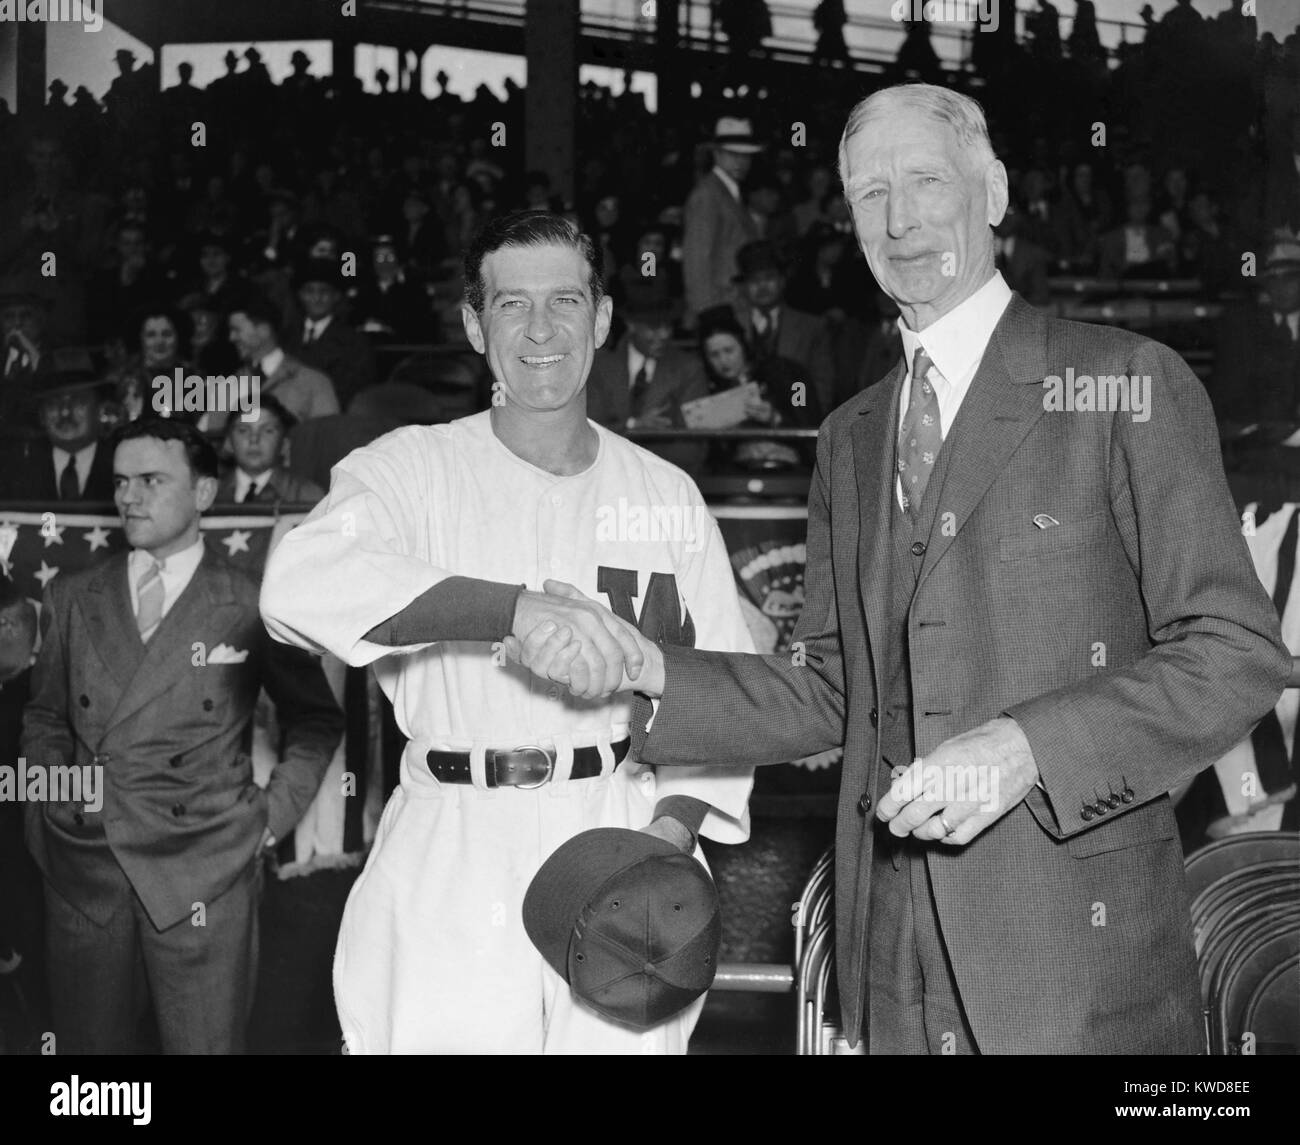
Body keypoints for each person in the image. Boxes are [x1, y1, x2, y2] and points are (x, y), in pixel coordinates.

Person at [508, 85, 1290, 1055]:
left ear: (993, 191)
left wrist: (1026, 747)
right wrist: (648, 666)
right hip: (885, 954)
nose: (899, 217)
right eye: (869, 192)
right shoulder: (850, 435)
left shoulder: (1124, 381)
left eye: (925, 179)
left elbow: (1235, 650)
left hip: (1071, 968)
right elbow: (839, 688)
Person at [259, 210, 754, 1053]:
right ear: (471, 324)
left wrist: (667, 841)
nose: (539, 329)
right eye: (510, 303)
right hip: (453, 834)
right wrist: (516, 607)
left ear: (601, 318)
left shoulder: (665, 493)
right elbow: (295, 584)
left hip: (617, 828)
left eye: (565, 300)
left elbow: (725, 692)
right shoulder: (409, 466)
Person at [21, 417, 344, 1053]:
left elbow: (316, 719)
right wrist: (49, 806)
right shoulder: (73, 595)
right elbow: (45, 717)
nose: (128, 498)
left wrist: (266, 822)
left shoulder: (252, 601)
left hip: (205, 870)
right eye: (119, 482)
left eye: (150, 480)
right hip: (88, 869)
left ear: (202, 494)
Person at [586, 289, 710, 477]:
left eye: (668, 326)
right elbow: (588, 430)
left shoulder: (689, 368)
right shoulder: (600, 366)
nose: (664, 334)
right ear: (631, 325)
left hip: (666, 480)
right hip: (605, 477)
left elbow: (693, 444)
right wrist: (634, 425)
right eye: (654, 327)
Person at [732, 240, 836, 414]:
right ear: (743, 286)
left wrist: (804, 417)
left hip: (795, 420)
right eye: (754, 280)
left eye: (769, 278)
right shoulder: (732, 324)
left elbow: (822, 383)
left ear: (782, 281)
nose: (762, 287)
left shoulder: (811, 327)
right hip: (740, 421)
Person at [682, 117, 762, 328]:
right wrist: (708, 314)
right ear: (716, 154)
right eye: (733, 154)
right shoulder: (708, 194)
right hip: (719, 308)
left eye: (746, 155)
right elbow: (697, 261)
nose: (740, 162)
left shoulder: (729, 192)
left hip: (735, 304)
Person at [0, 369, 115, 502]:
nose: (65, 412)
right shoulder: (15, 470)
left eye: (78, 401)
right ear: (42, 416)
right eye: (53, 403)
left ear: (99, 410)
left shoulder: (121, 463)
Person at [228, 293, 340, 423]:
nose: (232, 337)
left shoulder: (314, 383)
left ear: (264, 330)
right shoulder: (231, 384)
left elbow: (329, 437)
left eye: (236, 330)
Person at [287, 259, 377, 410]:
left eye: (324, 291)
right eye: (309, 291)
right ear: (300, 295)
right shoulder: (285, 336)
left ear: (336, 296)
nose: (317, 298)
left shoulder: (355, 342)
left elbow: (354, 392)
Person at [217, 395, 325, 506]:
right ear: (228, 443)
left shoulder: (308, 496)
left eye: (267, 431)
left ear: (284, 445)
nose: (254, 439)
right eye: (243, 430)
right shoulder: (209, 492)